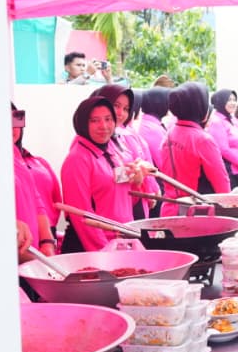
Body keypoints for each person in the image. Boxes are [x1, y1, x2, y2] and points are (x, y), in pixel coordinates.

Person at [60, 94, 151, 252]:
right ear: (82, 123)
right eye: (94, 121)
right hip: (95, 249)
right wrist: (105, 252)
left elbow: (127, 199)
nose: (103, 126)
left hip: (121, 241)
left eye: (108, 119)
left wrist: (137, 182)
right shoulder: (77, 159)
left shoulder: (115, 152)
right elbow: (82, 216)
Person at [159, 82, 230, 214]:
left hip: (169, 210)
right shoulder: (202, 140)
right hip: (195, 213)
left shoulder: (169, 134)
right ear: (200, 107)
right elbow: (222, 185)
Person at [92, 85, 160, 218]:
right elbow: (105, 178)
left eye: (126, 109)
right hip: (107, 225)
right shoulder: (84, 149)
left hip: (127, 216)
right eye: (116, 105)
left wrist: (140, 179)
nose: (120, 113)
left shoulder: (119, 137)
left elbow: (123, 180)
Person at [13, 105, 63, 240]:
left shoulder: (38, 162)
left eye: (15, 121)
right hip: (19, 239)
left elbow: (56, 199)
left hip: (46, 234)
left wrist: (47, 236)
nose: (11, 128)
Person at [208, 89, 238, 188]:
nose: (233, 103)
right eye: (229, 100)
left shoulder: (233, 119)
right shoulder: (217, 121)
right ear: (220, 101)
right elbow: (223, 150)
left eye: (234, 100)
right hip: (230, 171)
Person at [136, 85, 170, 171]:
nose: (169, 105)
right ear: (159, 103)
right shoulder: (152, 130)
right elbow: (164, 164)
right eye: (167, 101)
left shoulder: (148, 123)